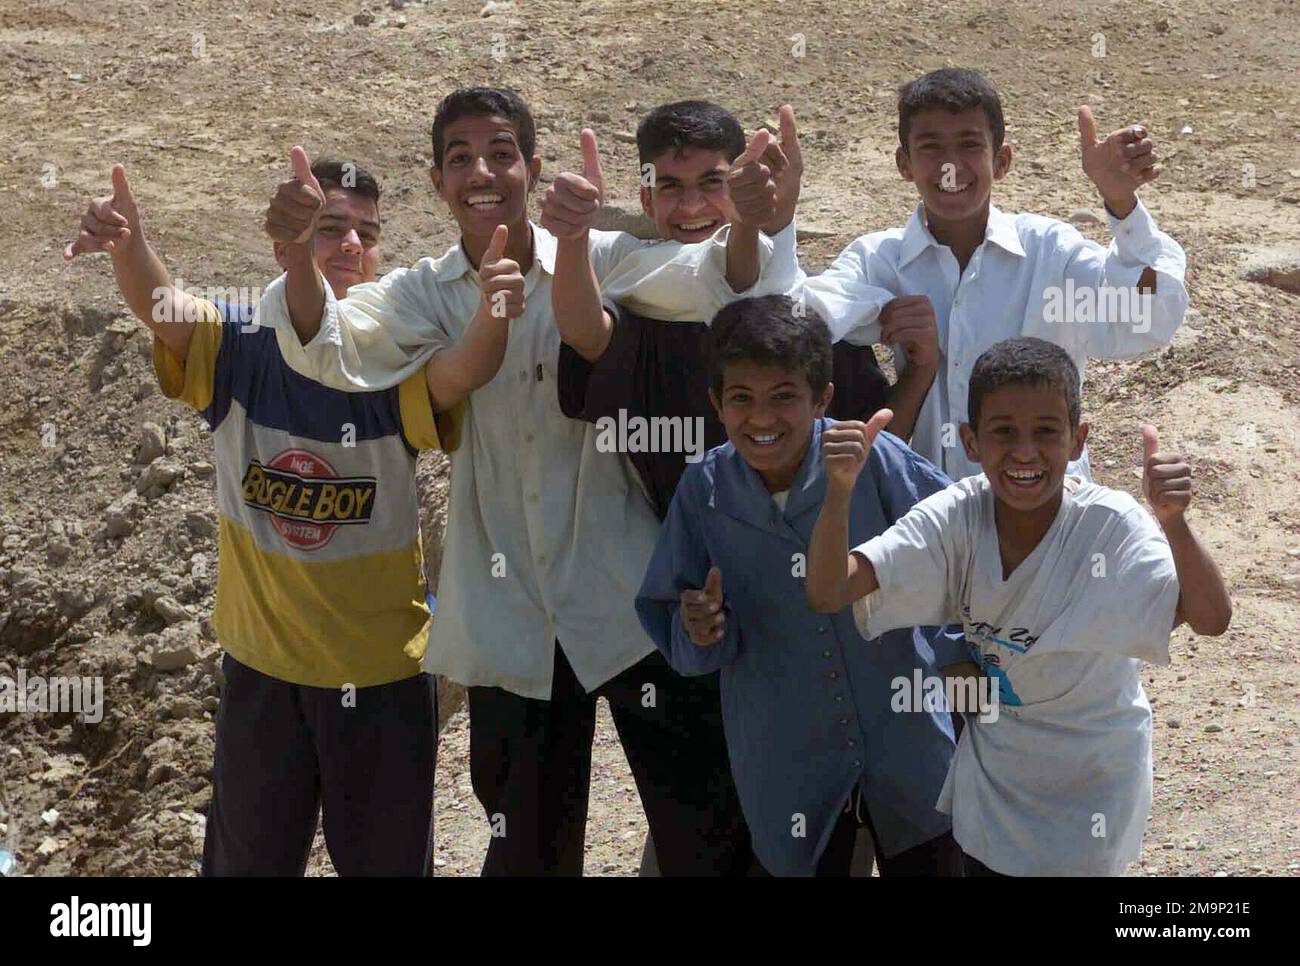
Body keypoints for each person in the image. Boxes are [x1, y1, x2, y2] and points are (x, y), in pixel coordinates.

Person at [255, 87, 796, 875]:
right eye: (460, 158)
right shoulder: (425, 295)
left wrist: (750, 216)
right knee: (528, 851)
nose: (482, 171)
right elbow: (332, 345)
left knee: (704, 830)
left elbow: (710, 277)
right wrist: (297, 258)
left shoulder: (598, 256)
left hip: (626, 598)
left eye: (502, 153)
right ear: (437, 181)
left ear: (533, 167)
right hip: (508, 614)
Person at [66, 157, 476, 875]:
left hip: (380, 678)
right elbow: (165, 308)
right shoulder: (242, 347)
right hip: (262, 676)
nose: (351, 244)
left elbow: (464, 375)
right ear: (290, 237)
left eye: (367, 234)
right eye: (330, 228)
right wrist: (128, 246)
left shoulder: (393, 359)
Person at [806, 337, 1231, 876]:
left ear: (1078, 441)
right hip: (997, 782)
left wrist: (1174, 522)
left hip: (1092, 782)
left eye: (1046, 432)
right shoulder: (957, 516)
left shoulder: (1111, 524)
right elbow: (829, 590)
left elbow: (1212, 618)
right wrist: (839, 492)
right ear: (971, 440)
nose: (1025, 452)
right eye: (1003, 432)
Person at [635, 295, 965, 877]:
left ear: (822, 400)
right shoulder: (704, 493)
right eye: (742, 398)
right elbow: (679, 629)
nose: (762, 418)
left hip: (907, 746)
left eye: (784, 396)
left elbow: (956, 551)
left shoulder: (874, 459)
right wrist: (700, 626)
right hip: (788, 762)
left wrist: (962, 668)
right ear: (716, 402)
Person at [794, 67, 1188, 481]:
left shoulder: (1050, 254)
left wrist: (1121, 202)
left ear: (1001, 161)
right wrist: (775, 224)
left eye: (969, 145)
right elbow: (802, 319)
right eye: (931, 148)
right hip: (934, 508)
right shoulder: (881, 261)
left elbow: (1146, 319)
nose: (950, 167)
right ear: (904, 163)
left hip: (1050, 508)